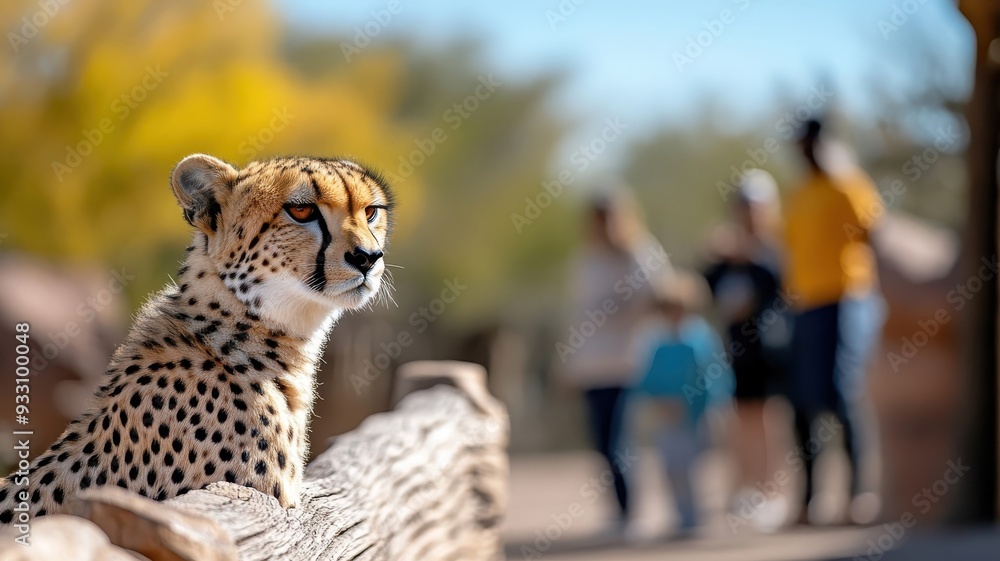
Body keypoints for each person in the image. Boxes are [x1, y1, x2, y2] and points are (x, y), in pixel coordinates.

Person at [783, 118, 885, 524]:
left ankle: (859, 495)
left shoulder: (849, 185)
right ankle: (809, 500)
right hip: (805, 305)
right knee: (802, 402)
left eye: (812, 144)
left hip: (846, 299)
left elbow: (873, 234)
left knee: (842, 393)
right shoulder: (798, 195)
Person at [560, 189, 671, 532]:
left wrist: (624, 309)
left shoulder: (639, 252)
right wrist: (567, 362)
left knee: (621, 440)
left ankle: (632, 511)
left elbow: (662, 295)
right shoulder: (586, 259)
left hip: (628, 361)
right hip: (592, 365)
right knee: (602, 443)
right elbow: (576, 315)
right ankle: (620, 510)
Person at [703, 169, 792, 531]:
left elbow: (778, 290)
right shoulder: (726, 255)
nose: (748, 213)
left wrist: (750, 259)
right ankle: (746, 490)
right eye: (743, 206)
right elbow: (705, 288)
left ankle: (772, 492)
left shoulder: (772, 252)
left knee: (769, 421)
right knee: (741, 422)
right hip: (736, 354)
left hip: (769, 351)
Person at [630, 271, 733, 534]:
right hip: (667, 417)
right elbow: (646, 378)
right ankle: (681, 513)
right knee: (670, 467)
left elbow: (714, 376)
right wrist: (659, 401)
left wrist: (699, 405)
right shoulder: (658, 342)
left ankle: (698, 514)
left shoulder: (701, 338)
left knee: (697, 468)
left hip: (697, 415)